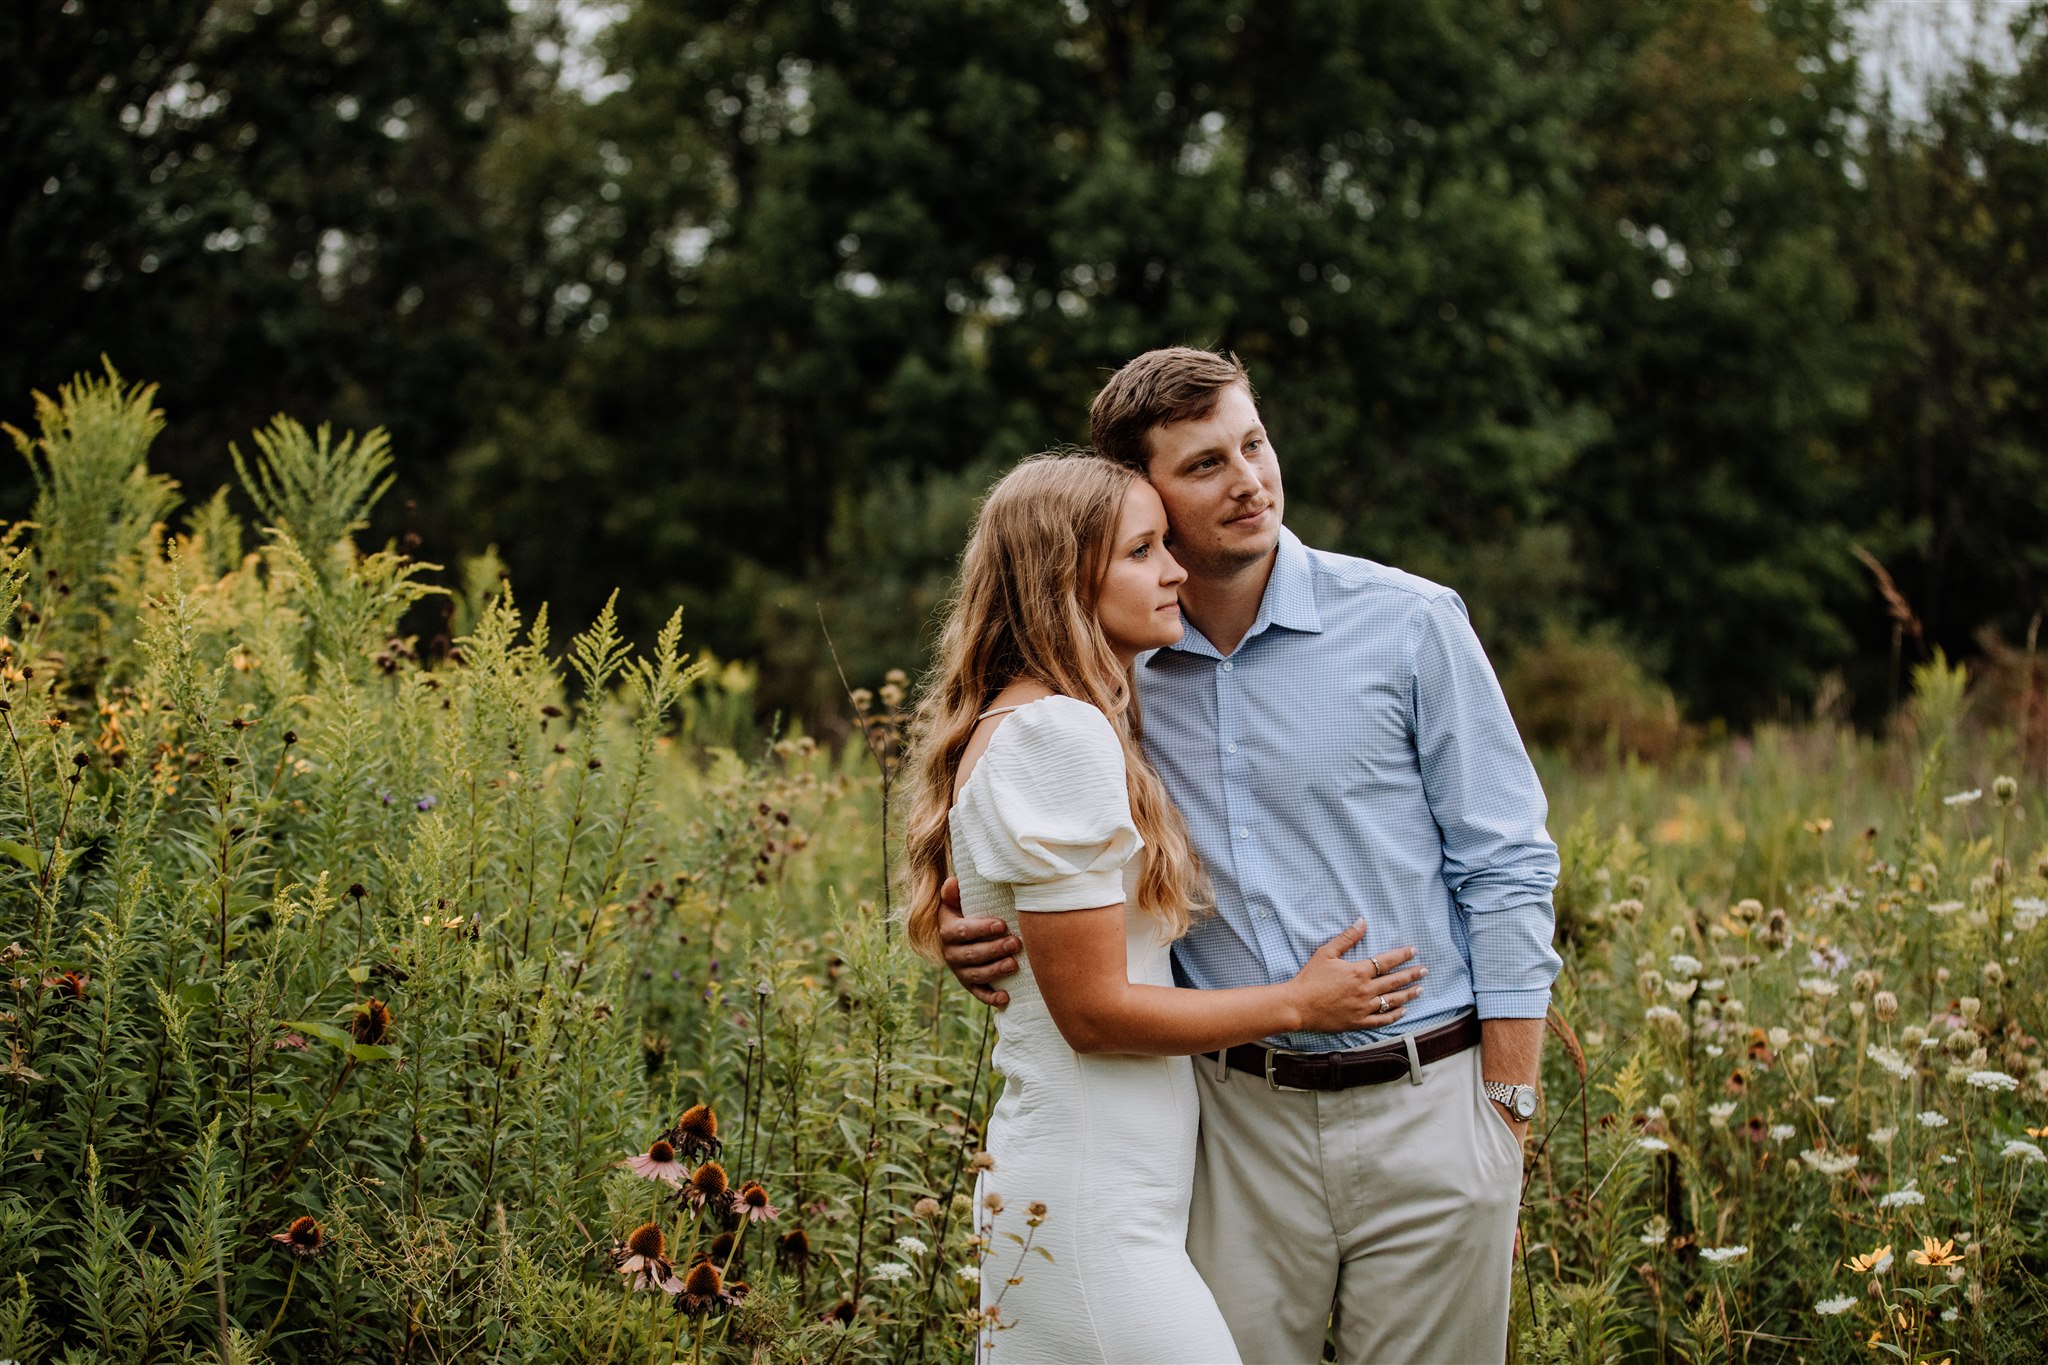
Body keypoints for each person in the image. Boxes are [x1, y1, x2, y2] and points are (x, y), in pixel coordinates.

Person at [939, 348, 1563, 1364]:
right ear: (1138, 496)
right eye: (1204, 465)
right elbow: (1025, 829)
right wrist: (970, 921)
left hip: (1429, 1104)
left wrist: (1505, 1107)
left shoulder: (1408, 623)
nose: (1248, 480)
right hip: (1229, 1127)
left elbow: (1507, 864)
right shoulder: (1113, 671)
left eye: (1254, 444)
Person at [901, 453, 1430, 1365]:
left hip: (1102, 1197)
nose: (1176, 569)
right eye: (1143, 552)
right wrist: (1300, 1003)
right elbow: (1093, 1011)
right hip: (1089, 1210)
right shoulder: (1058, 733)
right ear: (1067, 579)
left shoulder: (1048, 718)